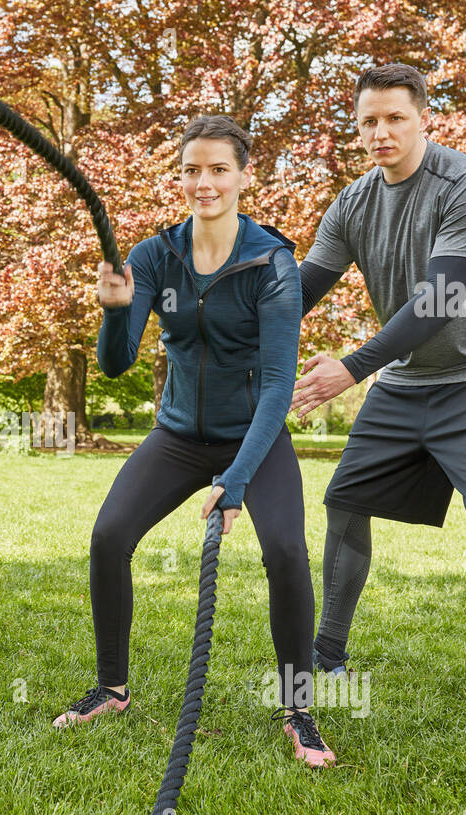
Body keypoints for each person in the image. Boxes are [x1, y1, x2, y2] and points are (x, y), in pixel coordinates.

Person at [52, 115, 335, 767]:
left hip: (254, 439)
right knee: (108, 536)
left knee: (287, 553)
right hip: (178, 435)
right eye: (190, 169)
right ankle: (111, 689)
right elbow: (118, 362)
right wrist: (114, 308)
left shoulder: (273, 263)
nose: (202, 182)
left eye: (217, 169)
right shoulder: (156, 255)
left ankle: (299, 710)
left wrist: (235, 480)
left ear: (244, 176)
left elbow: (275, 386)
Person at [292, 64, 466, 728]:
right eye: (368, 120)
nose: (381, 132)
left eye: (395, 118)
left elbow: (439, 299)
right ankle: (327, 655)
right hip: (409, 378)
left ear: (425, 117)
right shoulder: (352, 203)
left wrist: (352, 367)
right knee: (346, 500)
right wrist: (225, 323)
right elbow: (299, 292)